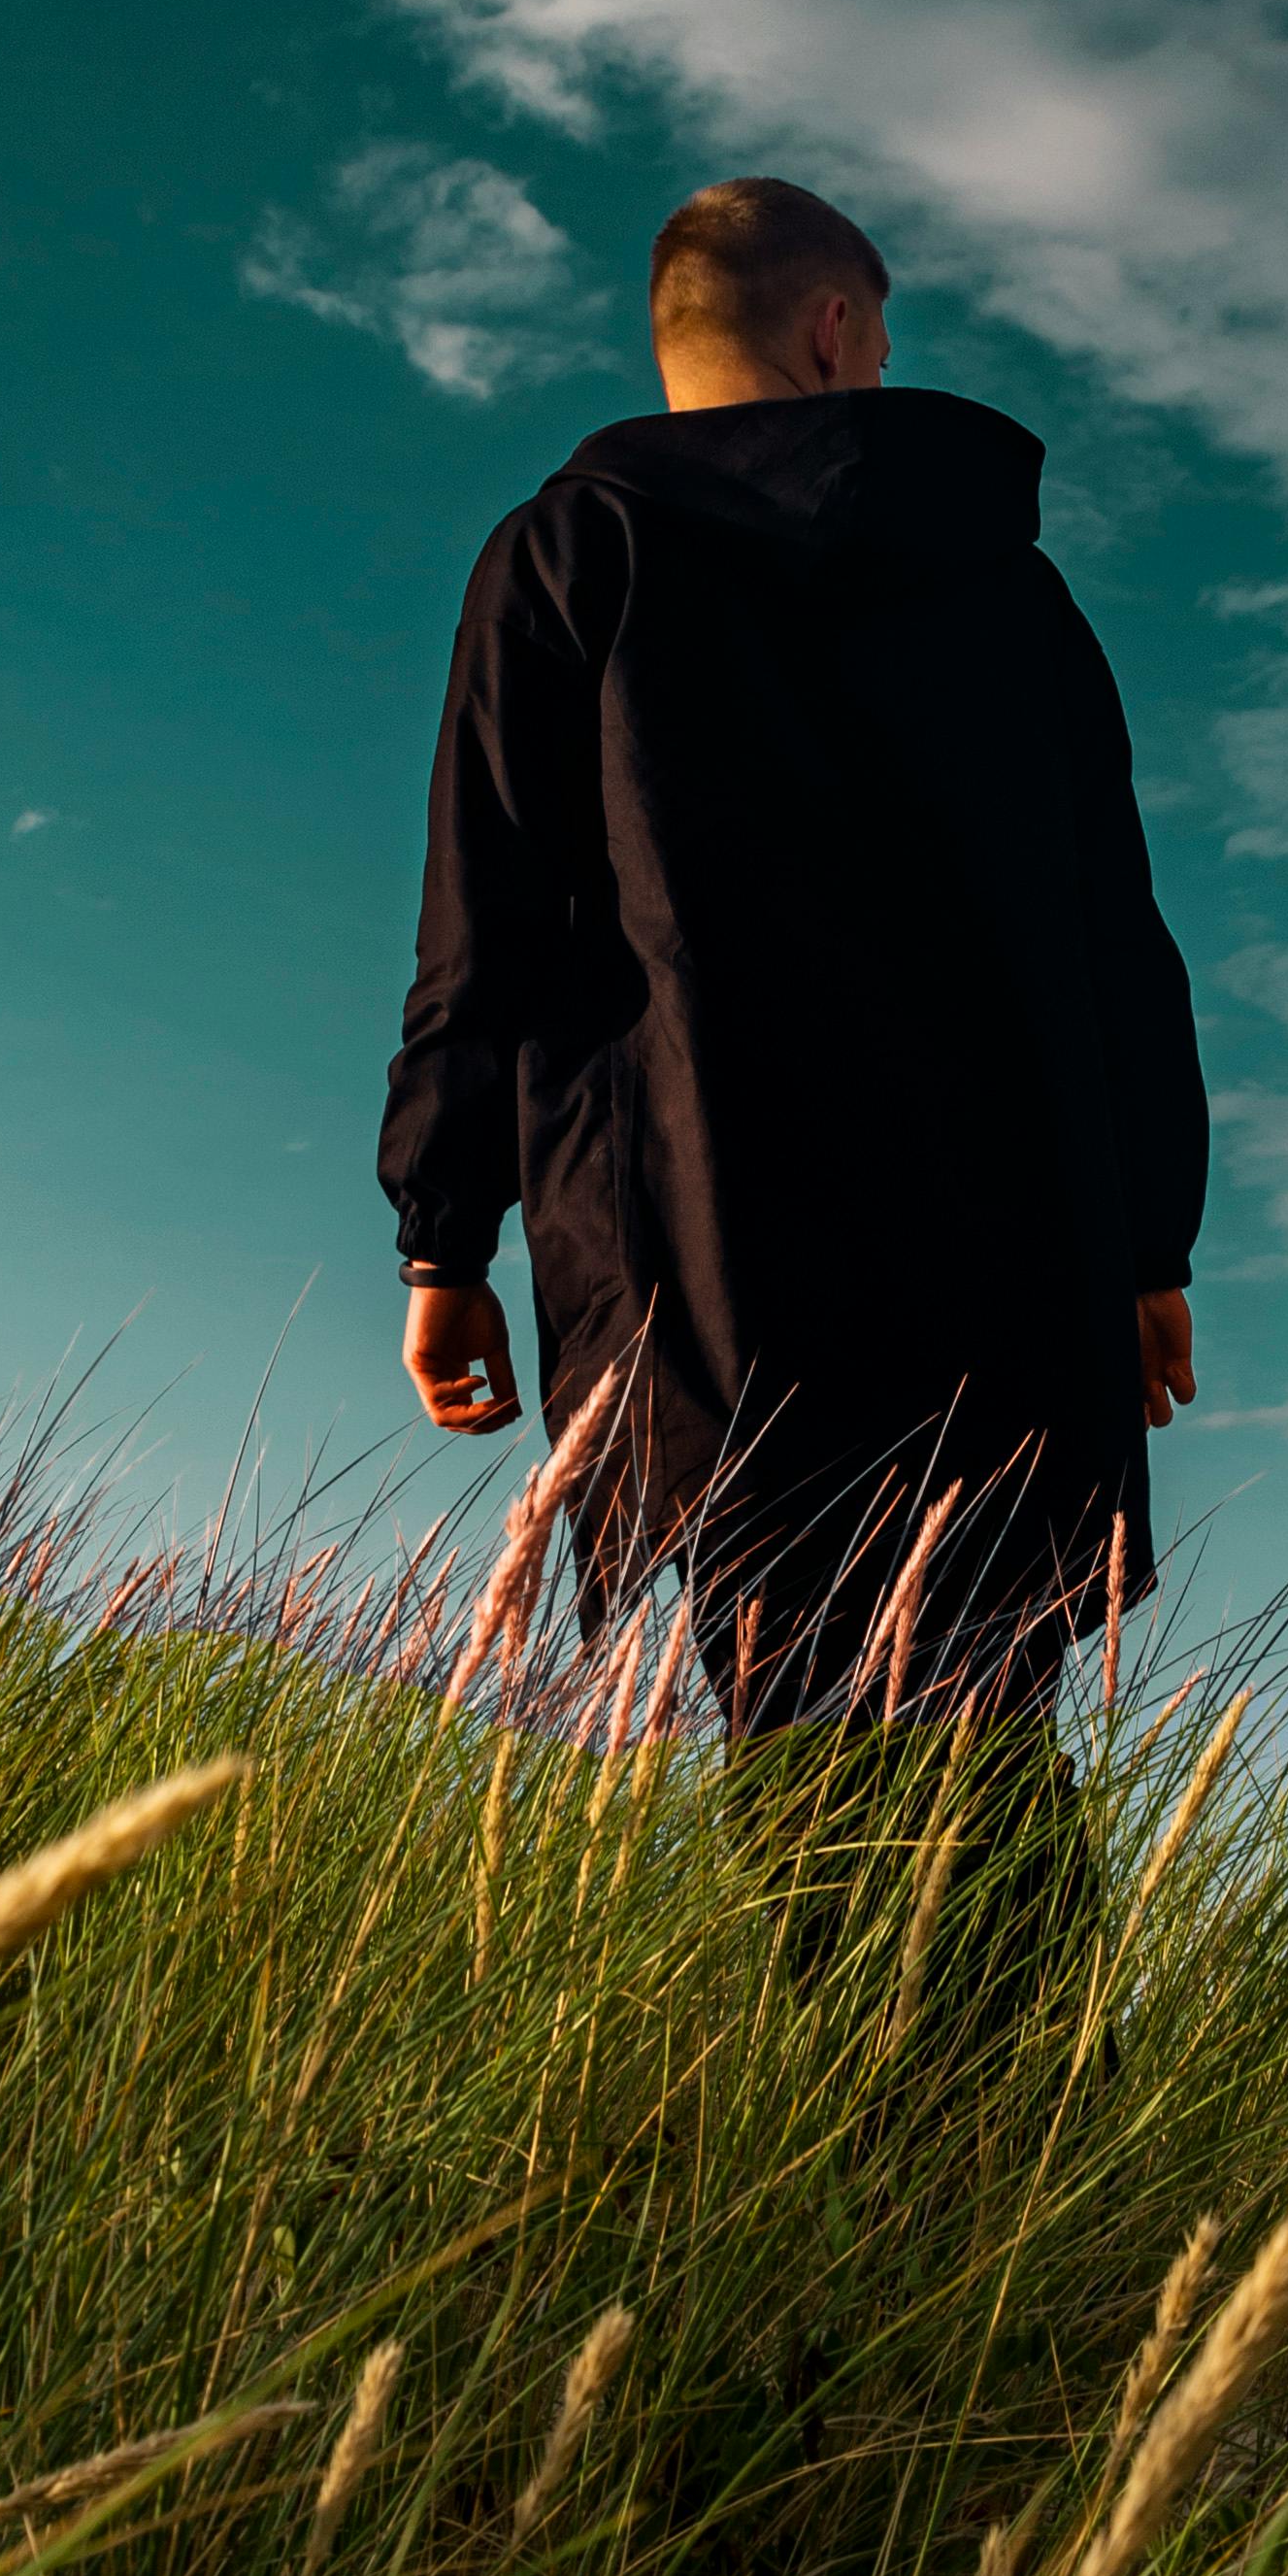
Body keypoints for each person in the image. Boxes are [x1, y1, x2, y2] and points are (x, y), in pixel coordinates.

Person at [379, 175, 1207, 2033]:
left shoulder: (566, 554)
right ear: (835, 331)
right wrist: (1151, 1239)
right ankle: (1024, 2147)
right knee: (985, 1719)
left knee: (797, 1710)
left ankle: (869, 2148)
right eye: (882, 342)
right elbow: (1115, 935)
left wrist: (444, 1235)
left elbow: (485, 915)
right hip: (1002, 1252)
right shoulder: (1012, 590)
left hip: (707, 1244)